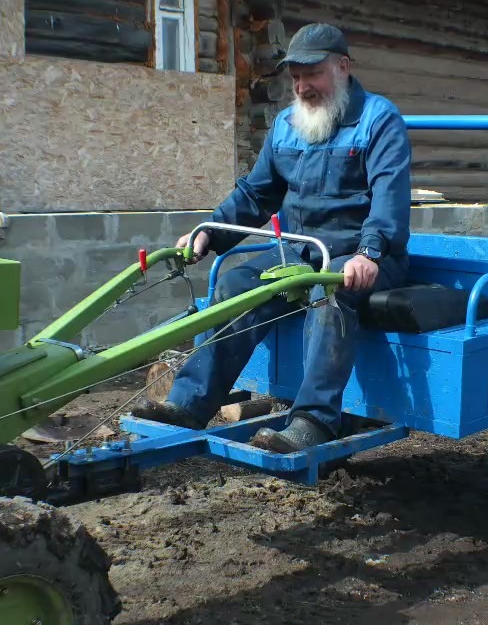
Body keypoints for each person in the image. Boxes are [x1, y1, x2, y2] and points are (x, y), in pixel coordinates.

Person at [132, 22, 412, 453]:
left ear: (342, 66)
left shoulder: (379, 120)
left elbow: (389, 201)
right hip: (302, 251)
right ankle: (188, 403)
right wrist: (210, 231)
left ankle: (314, 422)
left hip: (365, 256)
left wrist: (369, 252)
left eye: (312, 74)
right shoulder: (286, 125)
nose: (302, 86)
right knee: (233, 284)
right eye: (295, 77)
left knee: (327, 288)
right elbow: (256, 193)